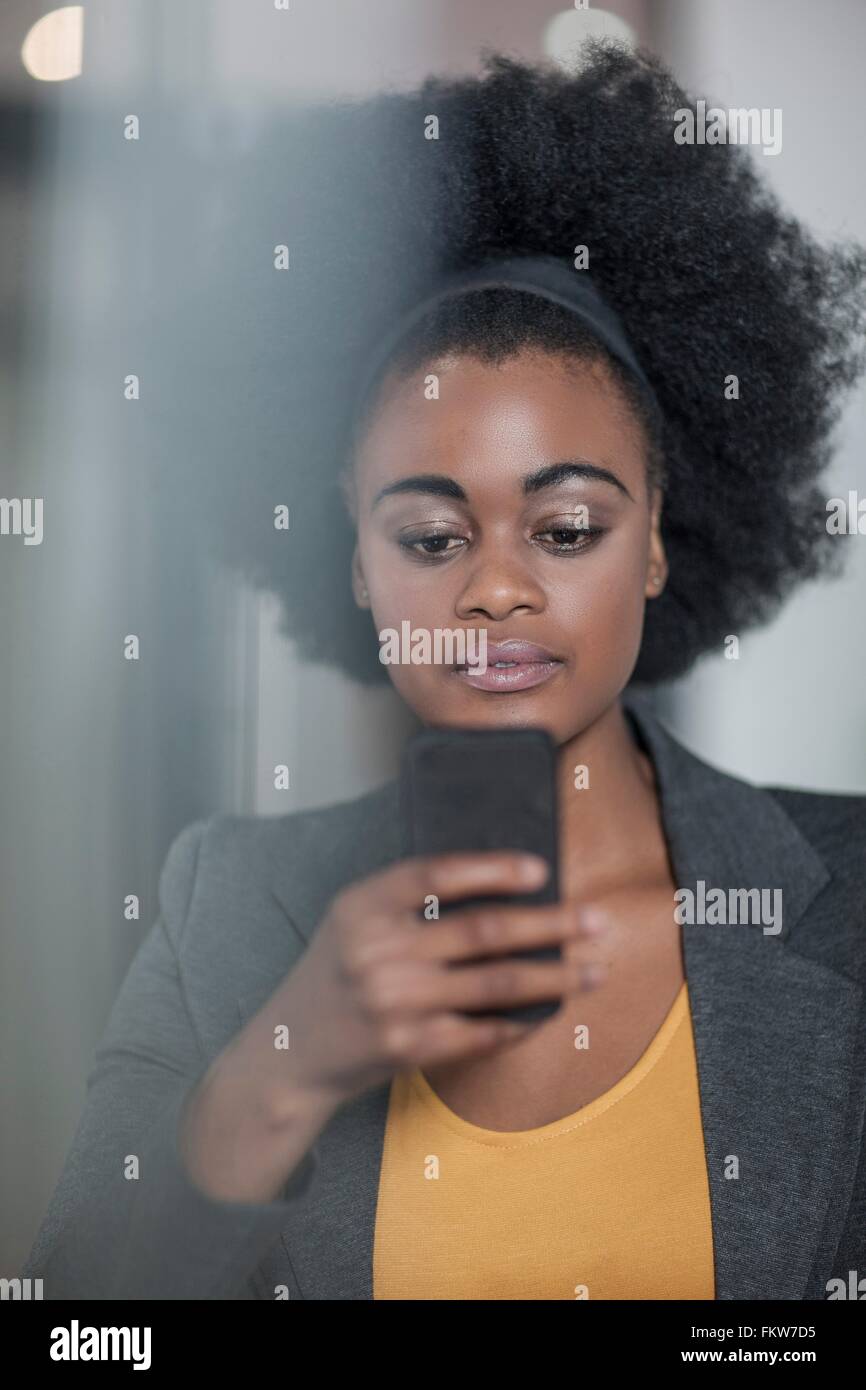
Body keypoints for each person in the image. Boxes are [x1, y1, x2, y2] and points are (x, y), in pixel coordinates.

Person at [23, 41, 866, 1300]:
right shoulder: (225, 908)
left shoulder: (842, 901)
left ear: (654, 543)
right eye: (428, 536)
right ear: (358, 567)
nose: (493, 587)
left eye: (567, 527)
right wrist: (287, 1061)